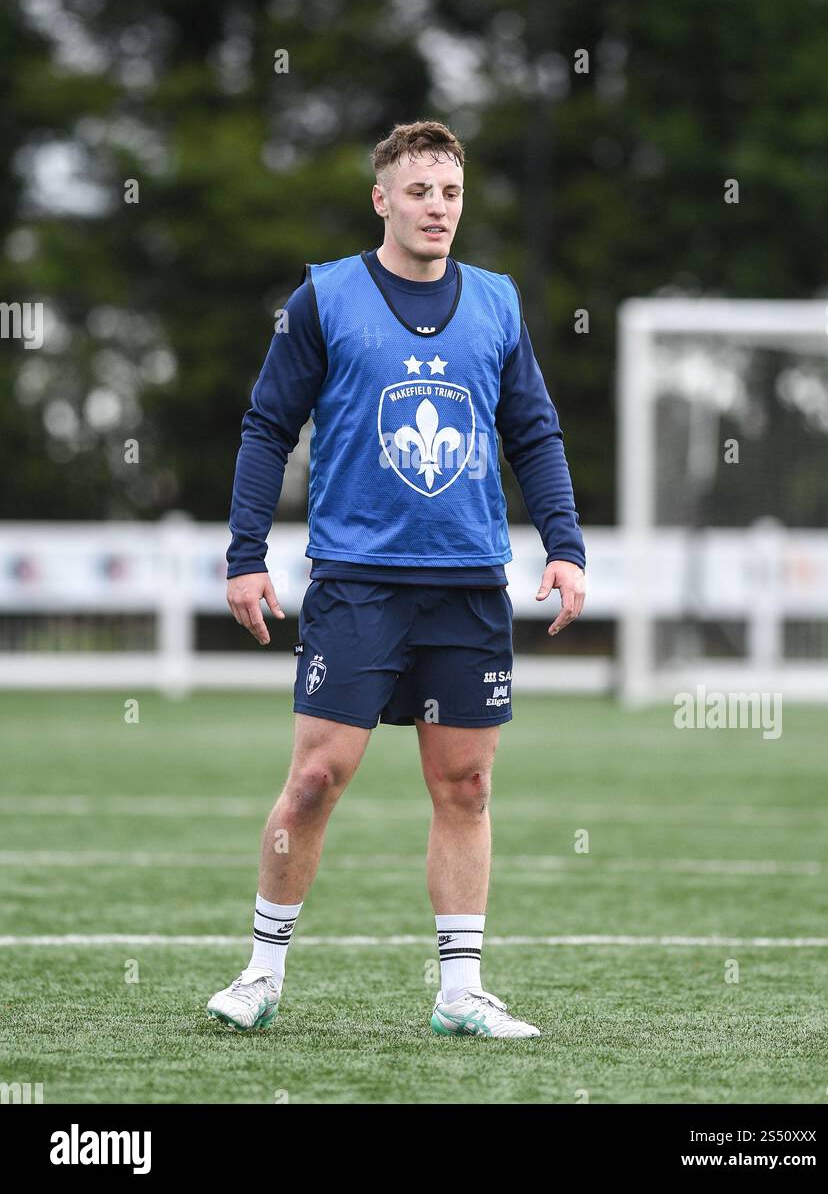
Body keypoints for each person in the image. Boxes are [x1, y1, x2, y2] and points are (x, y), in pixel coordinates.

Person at [207, 119, 586, 1038]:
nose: (437, 208)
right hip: (357, 581)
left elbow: (533, 432)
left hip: (466, 584)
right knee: (315, 781)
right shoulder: (324, 296)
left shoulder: (496, 301)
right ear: (383, 198)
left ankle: (460, 991)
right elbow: (267, 428)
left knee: (466, 787)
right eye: (419, 191)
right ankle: (261, 974)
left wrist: (565, 546)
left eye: (451, 192)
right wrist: (246, 556)